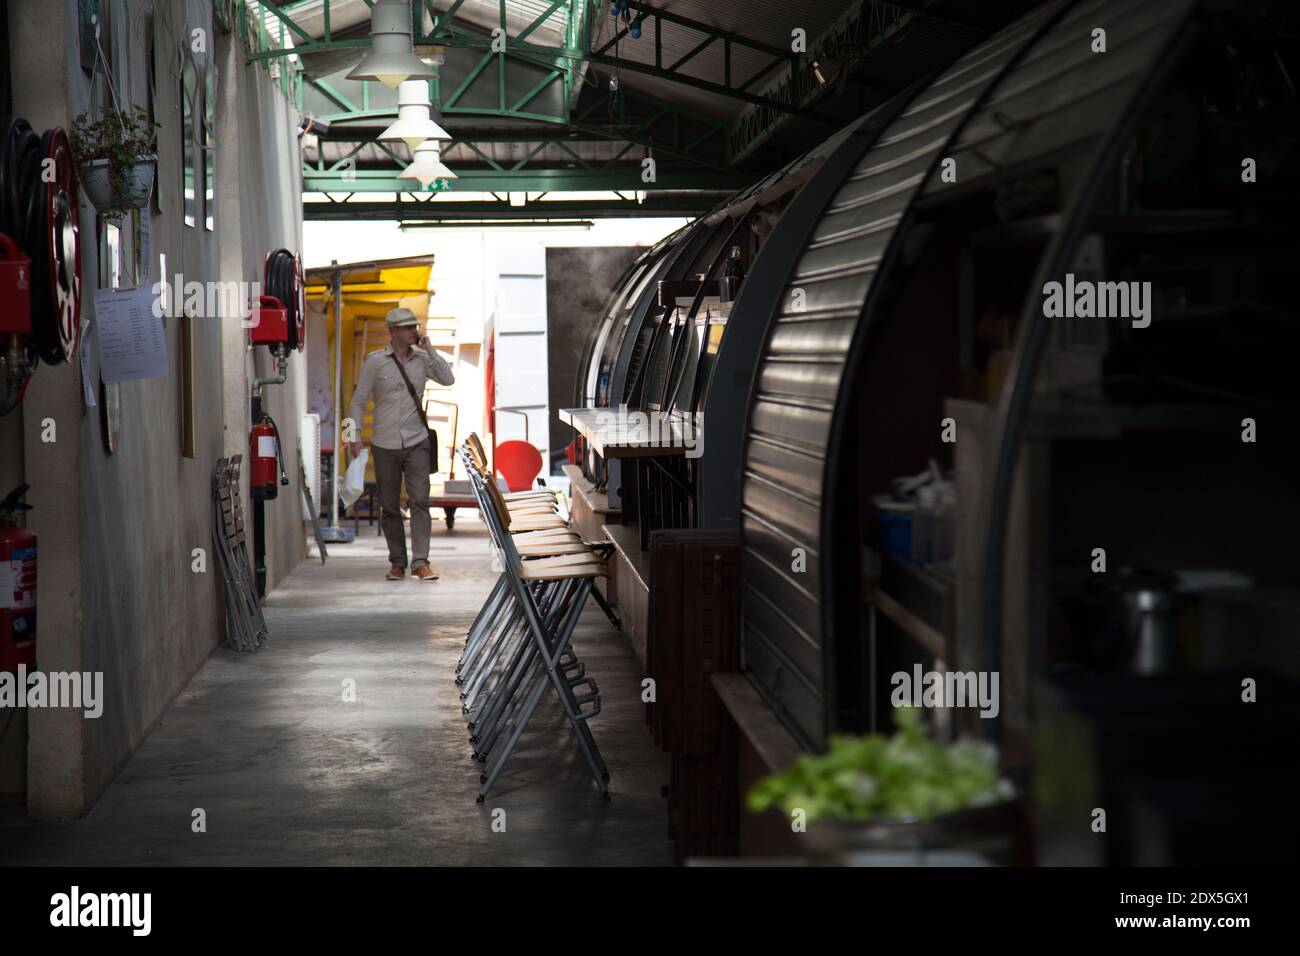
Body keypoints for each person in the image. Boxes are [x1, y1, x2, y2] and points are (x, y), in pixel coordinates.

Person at [348, 307, 455, 581]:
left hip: (417, 440)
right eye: (407, 328)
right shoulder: (375, 362)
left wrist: (430, 350)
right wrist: (354, 436)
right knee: (390, 506)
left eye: (415, 327)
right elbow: (359, 400)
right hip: (384, 442)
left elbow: (448, 379)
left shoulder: (422, 360)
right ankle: (397, 562)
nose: (413, 331)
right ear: (392, 331)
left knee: (420, 501)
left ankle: (421, 562)